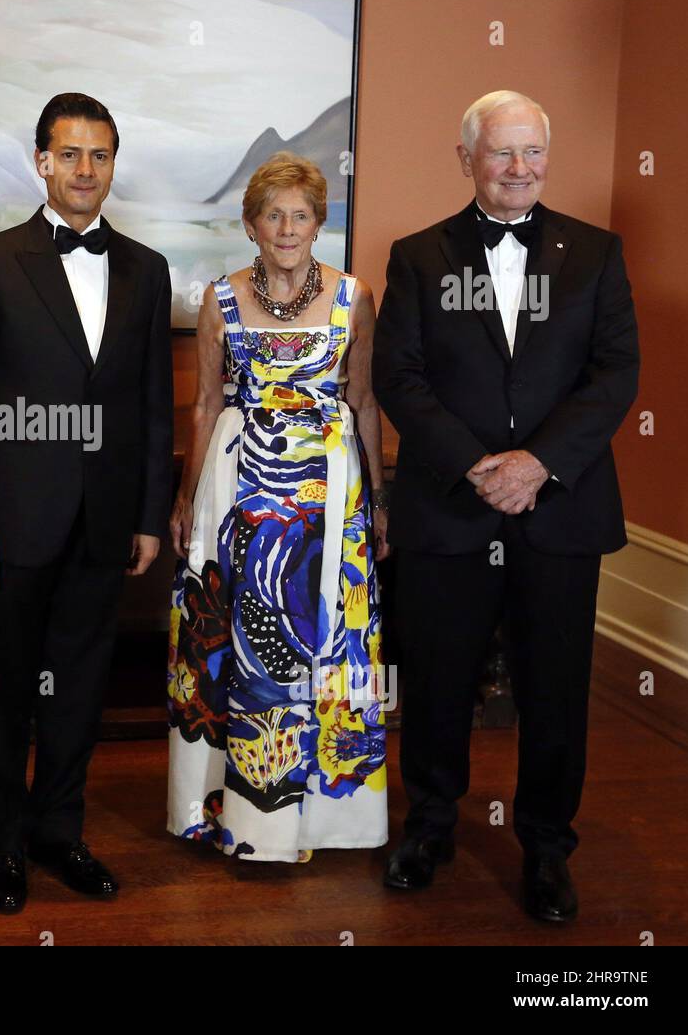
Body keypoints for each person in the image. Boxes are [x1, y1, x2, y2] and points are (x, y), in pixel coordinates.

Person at [373, 90, 640, 922]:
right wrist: (477, 465)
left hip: (560, 507)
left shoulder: (595, 253)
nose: (519, 168)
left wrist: (538, 465)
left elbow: (614, 375)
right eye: (501, 153)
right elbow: (399, 379)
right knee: (439, 681)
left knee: (554, 688)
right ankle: (428, 826)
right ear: (466, 160)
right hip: (451, 507)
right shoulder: (418, 256)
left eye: (532, 153)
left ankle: (548, 847)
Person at [0, 92, 173, 913]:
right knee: (6, 689)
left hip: (106, 523)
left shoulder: (148, 267)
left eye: (100, 155)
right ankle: (2, 845)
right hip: (13, 523)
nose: (85, 170)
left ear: (113, 164)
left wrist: (149, 513)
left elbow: (149, 406)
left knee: (80, 688)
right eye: (69, 154)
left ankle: (58, 830)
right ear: (40, 161)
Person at [168, 152, 389, 863]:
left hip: (331, 497)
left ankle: (326, 822)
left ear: (320, 223)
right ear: (251, 224)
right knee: (238, 645)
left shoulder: (356, 296)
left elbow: (363, 401)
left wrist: (379, 501)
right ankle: (232, 816)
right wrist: (185, 498)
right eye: (273, 214)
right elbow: (205, 404)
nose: (287, 227)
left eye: (301, 214)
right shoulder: (220, 298)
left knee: (329, 637)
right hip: (239, 495)